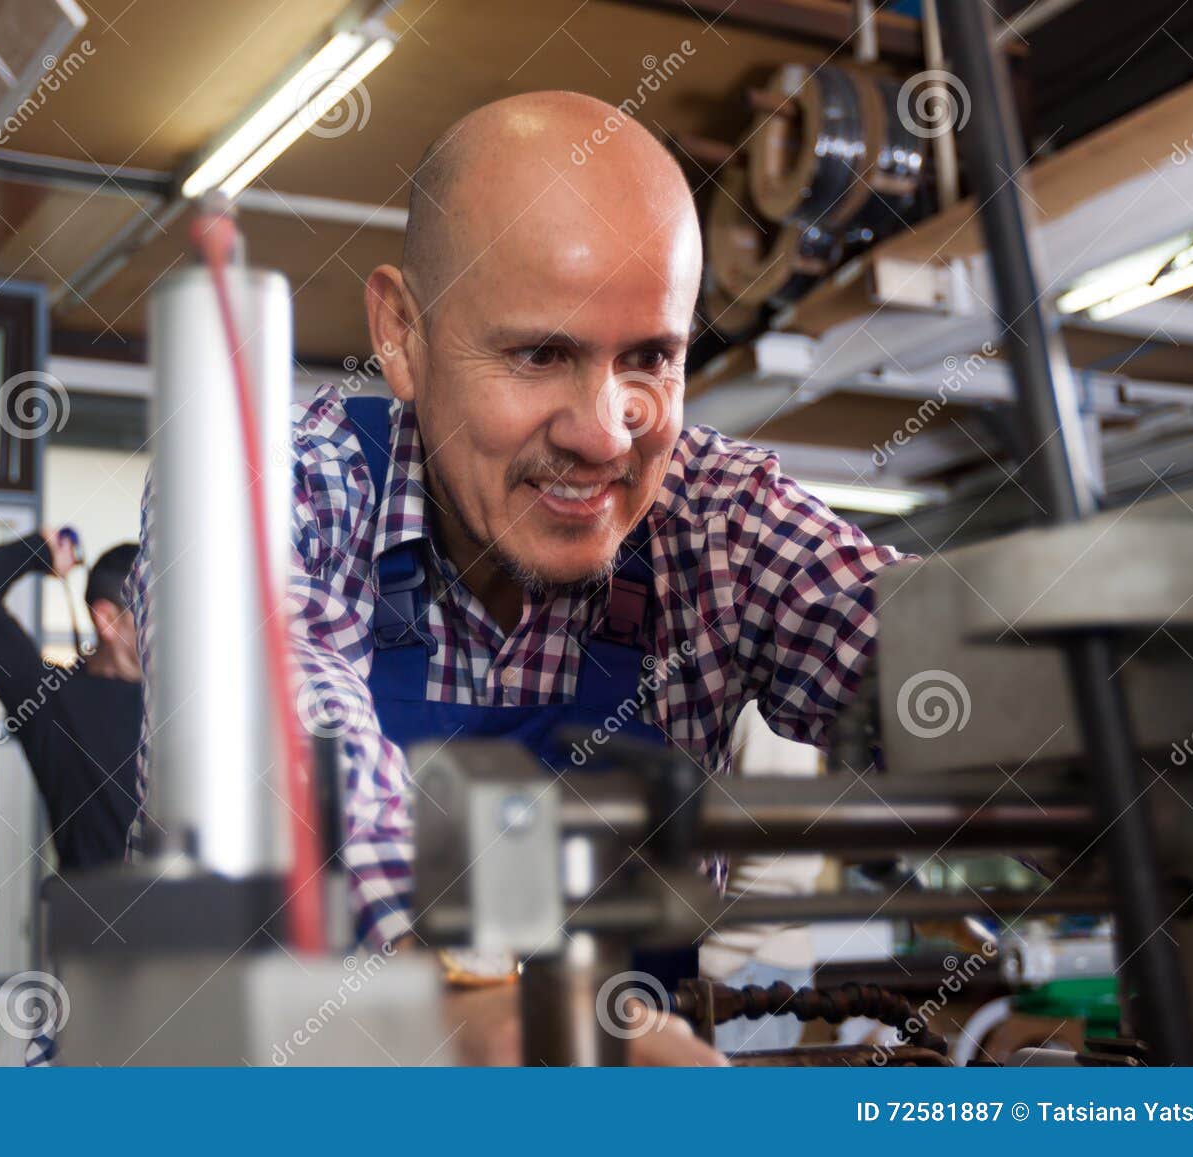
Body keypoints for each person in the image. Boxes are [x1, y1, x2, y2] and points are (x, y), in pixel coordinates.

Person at [129, 91, 903, 1063]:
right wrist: (469, 1002)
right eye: (540, 354)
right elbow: (283, 735)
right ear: (401, 332)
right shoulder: (279, 491)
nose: (602, 430)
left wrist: (1091, 679)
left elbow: (916, 653)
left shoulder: (717, 519)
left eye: (650, 358)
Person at [0, 530, 142, 871]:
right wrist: (39, 550)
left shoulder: (186, 704)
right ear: (107, 620)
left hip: (191, 914)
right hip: (97, 917)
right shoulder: (50, 701)